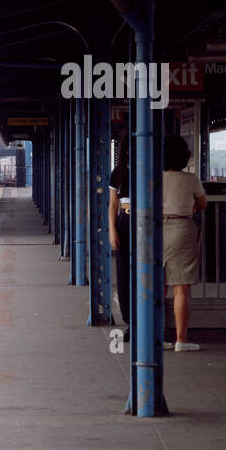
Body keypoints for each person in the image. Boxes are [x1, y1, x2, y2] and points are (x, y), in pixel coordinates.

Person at [162, 133, 207, 350]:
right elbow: (203, 203)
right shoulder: (191, 179)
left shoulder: (152, 178)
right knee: (181, 289)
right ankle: (181, 340)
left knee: (156, 287)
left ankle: (156, 337)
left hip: (155, 229)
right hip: (181, 228)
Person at [107, 136, 130, 340]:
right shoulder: (119, 172)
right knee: (123, 274)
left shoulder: (153, 168)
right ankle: (130, 321)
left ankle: (146, 321)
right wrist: (112, 229)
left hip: (147, 223)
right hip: (125, 221)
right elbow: (113, 204)